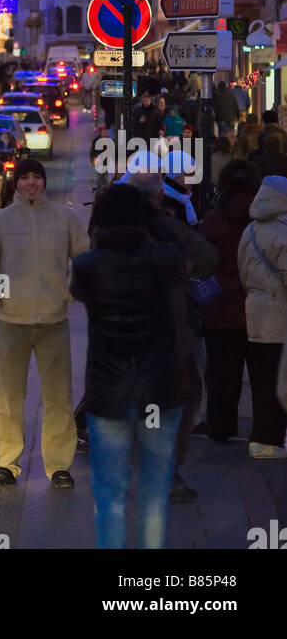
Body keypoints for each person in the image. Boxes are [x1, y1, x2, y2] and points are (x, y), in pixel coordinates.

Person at [71, 182, 186, 549]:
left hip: (109, 390)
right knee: (154, 492)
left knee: (110, 494)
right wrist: (159, 219)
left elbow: (79, 294)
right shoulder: (165, 259)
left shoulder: (88, 266)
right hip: (159, 386)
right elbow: (195, 255)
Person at [0, 157, 89, 489]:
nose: (32, 183)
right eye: (25, 178)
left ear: (44, 182)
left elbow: (84, 258)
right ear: (16, 183)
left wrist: (68, 290)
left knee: (59, 398)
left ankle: (59, 465)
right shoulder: (0, 221)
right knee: (9, 397)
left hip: (53, 320)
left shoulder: (64, 218)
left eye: (37, 177)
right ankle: (7, 464)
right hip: (12, 321)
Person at [123, 154, 218, 502]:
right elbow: (208, 257)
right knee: (181, 394)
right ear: (160, 195)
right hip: (170, 328)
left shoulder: (108, 225)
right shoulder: (169, 226)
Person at [197, 161, 260, 443]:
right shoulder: (263, 221)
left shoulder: (213, 220)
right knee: (264, 375)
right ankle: (266, 430)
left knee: (222, 374)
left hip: (220, 310)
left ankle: (221, 426)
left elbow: (199, 266)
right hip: (260, 309)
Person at [237, 173, 287, 458]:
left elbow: (243, 271)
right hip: (279, 316)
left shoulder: (250, 230)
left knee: (260, 378)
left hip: (255, 313)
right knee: (279, 380)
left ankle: (261, 437)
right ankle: (271, 440)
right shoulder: (283, 231)